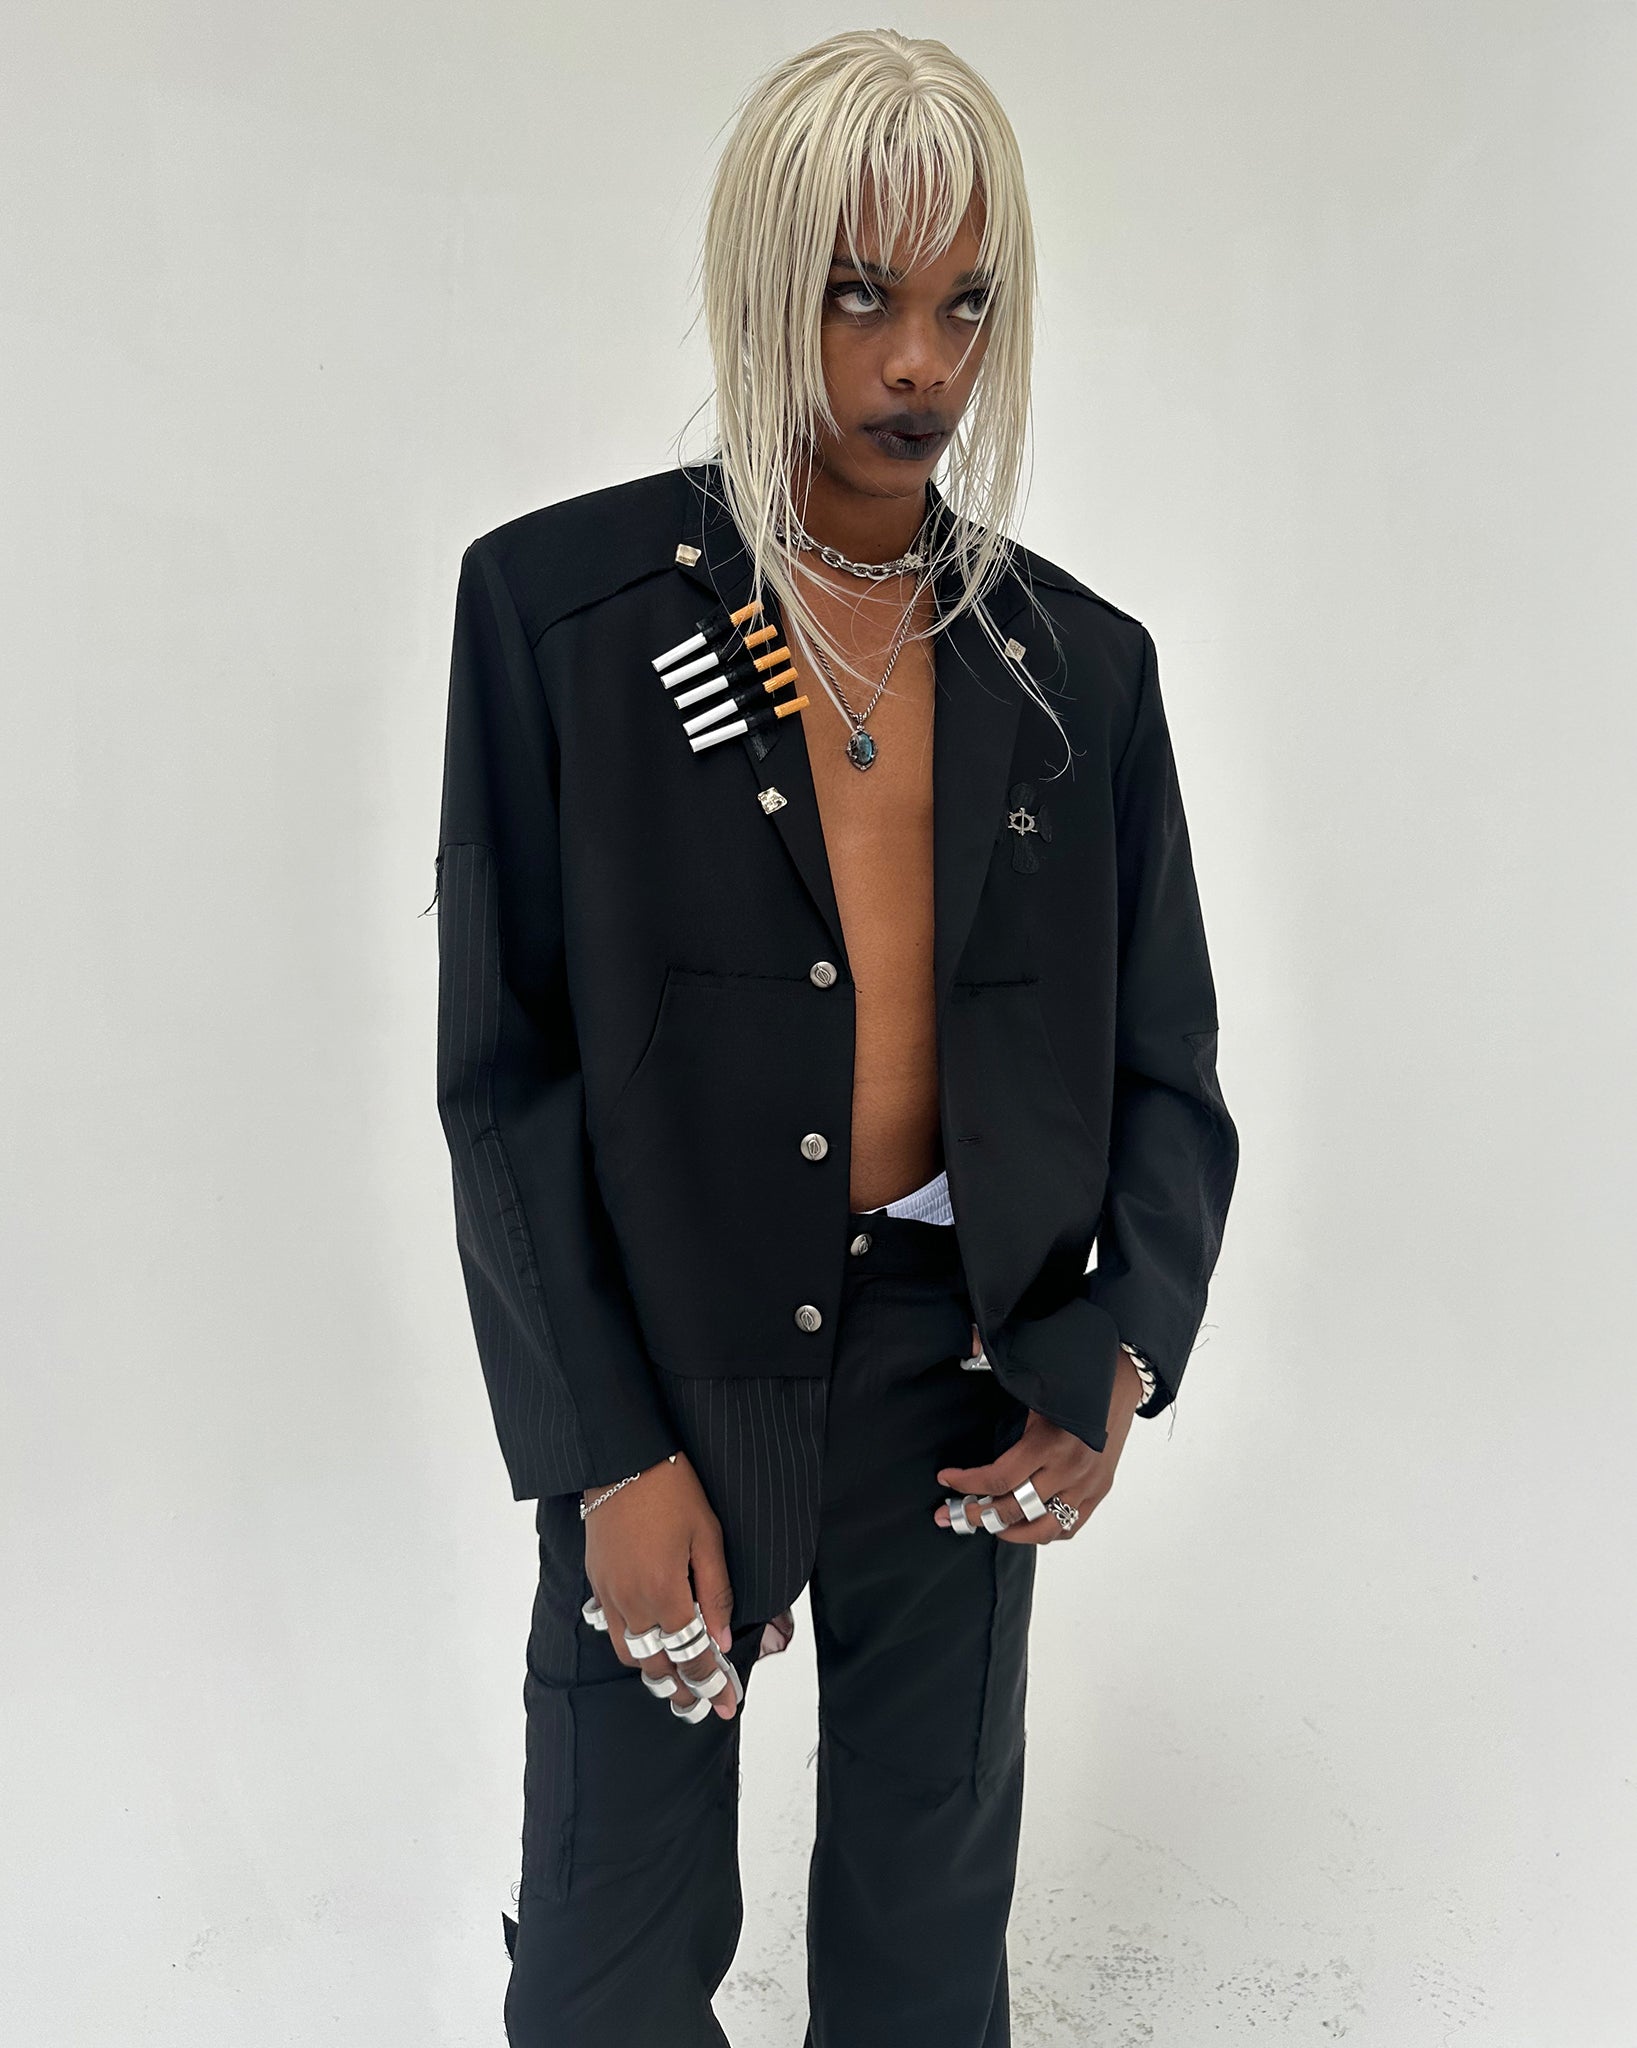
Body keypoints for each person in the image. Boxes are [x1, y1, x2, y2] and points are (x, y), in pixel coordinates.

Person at [432, 27, 1239, 2047]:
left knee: (921, 1943)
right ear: (761, 283)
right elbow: (504, 1082)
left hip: (964, 1377)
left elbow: (1164, 1065)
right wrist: (607, 1452)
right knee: (606, 1968)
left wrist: (1117, 1350)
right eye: (859, 294)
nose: (914, 365)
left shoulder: (1077, 672)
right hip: (671, 1368)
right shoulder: (565, 619)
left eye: (964, 305)